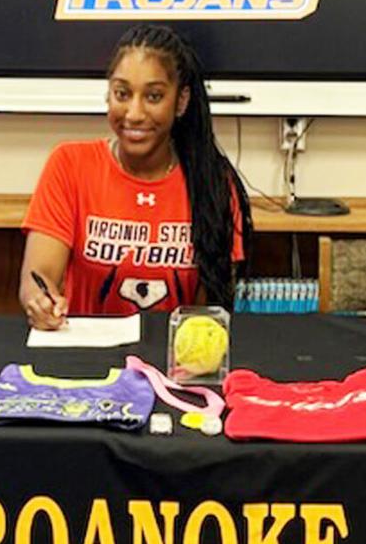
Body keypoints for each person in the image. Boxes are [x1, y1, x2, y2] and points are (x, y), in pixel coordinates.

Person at [21, 25, 251, 327]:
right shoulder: (69, 164)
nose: (134, 113)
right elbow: (37, 279)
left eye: (154, 96)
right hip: (88, 359)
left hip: (175, 364)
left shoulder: (213, 182)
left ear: (180, 102)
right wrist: (41, 303)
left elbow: (214, 308)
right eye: (122, 94)